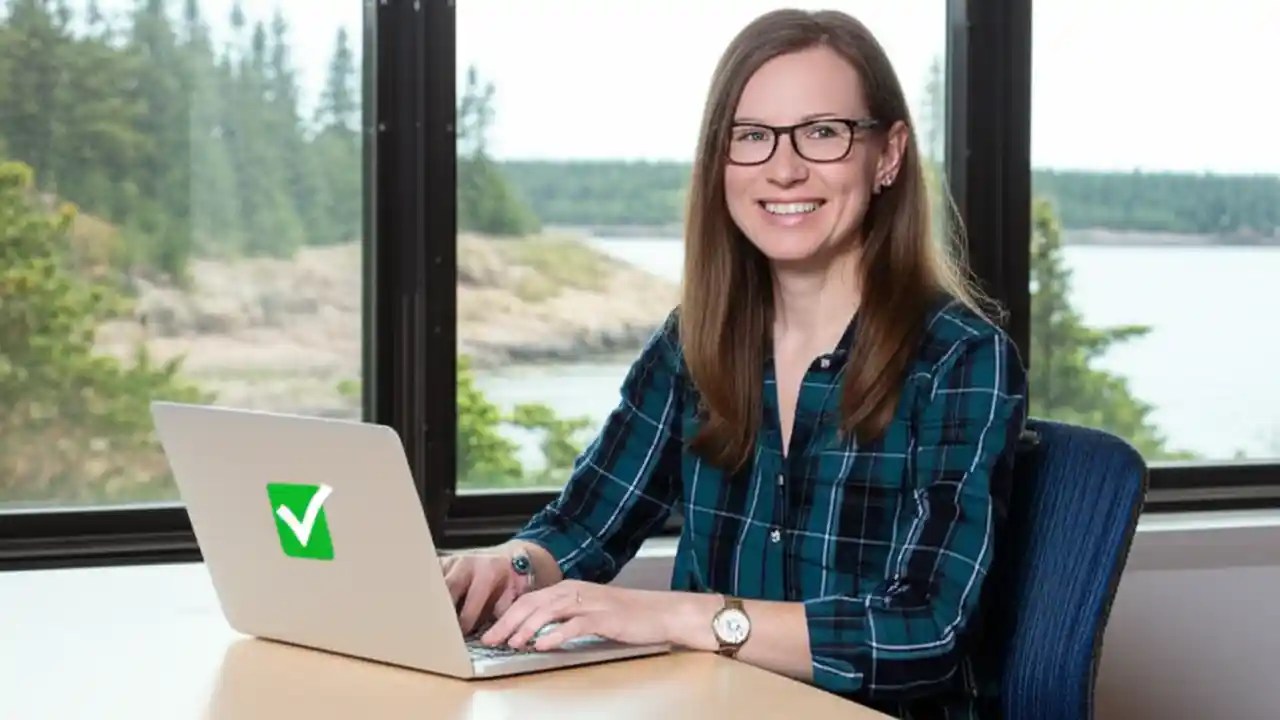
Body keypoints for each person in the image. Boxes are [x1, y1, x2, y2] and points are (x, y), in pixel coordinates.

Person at [442, 8, 1028, 719]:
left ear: (889, 155)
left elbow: (925, 631)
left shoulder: (961, 359)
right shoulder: (696, 341)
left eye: (822, 132)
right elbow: (585, 526)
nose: (783, 169)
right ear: (720, 160)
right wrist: (508, 566)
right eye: (751, 137)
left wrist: (681, 617)